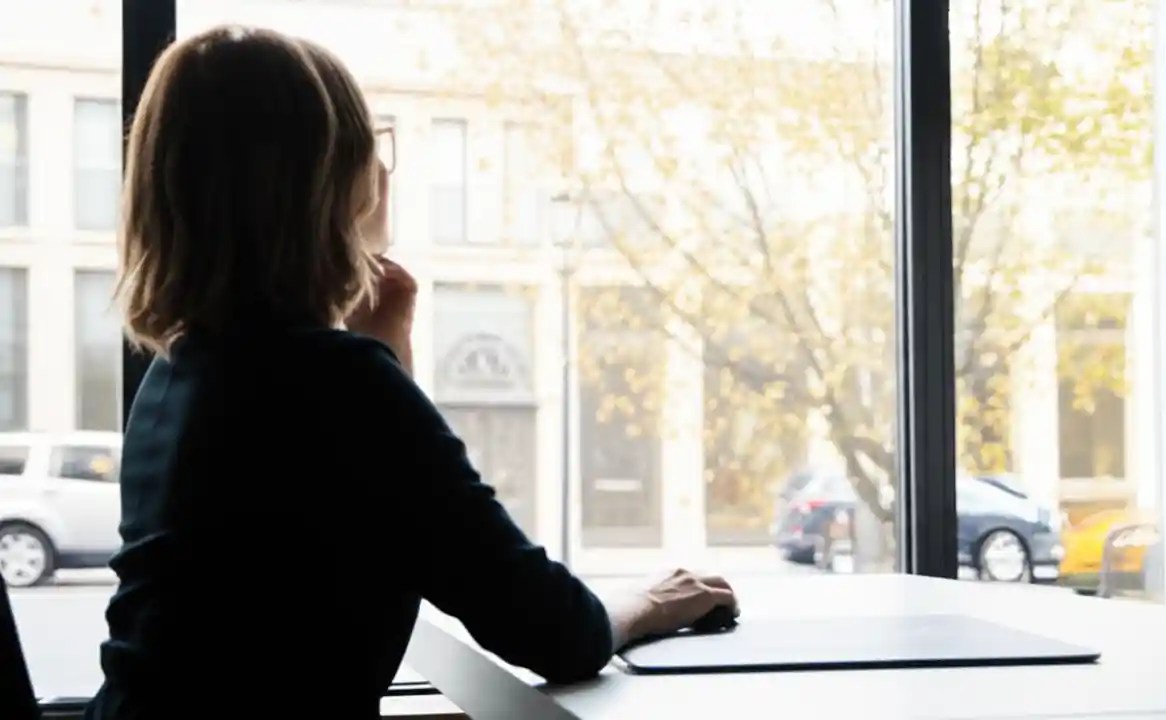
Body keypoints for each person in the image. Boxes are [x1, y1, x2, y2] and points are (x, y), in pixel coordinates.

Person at [85, 25, 737, 719]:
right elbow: (552, 629)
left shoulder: (178, 381)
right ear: (331, 183)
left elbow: (332, 543)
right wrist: (652, 602)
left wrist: (385, 352)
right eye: (372, 148)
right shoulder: (340, 387)